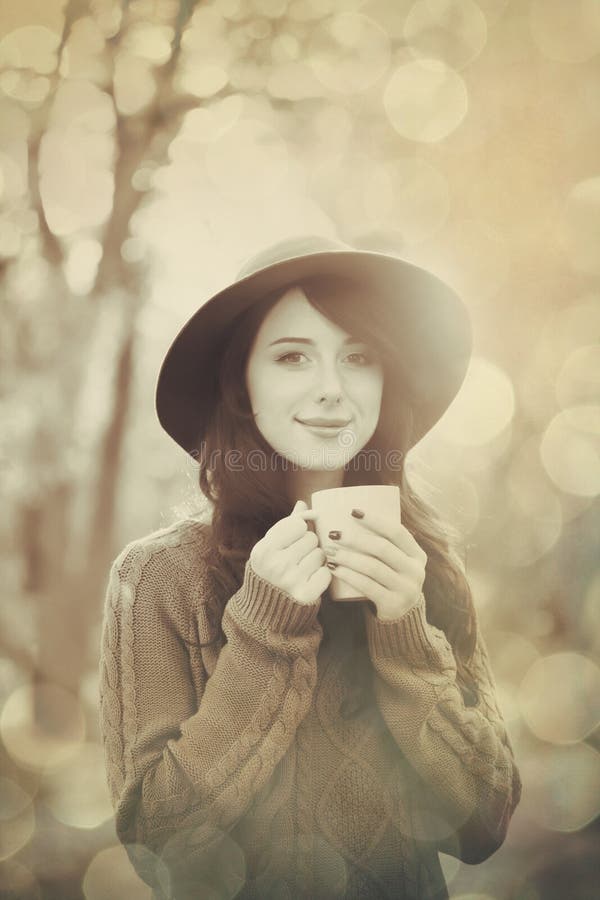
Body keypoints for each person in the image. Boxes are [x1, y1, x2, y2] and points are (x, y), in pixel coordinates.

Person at [99, 235, 521, 900]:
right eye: (293, 356)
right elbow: (158, 839)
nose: (331, 389)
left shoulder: (422, 564)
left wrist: (406, 636)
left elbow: (485, 826)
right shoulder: (157, 577)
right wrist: (264, 638)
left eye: (359, 356)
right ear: (241, 381)